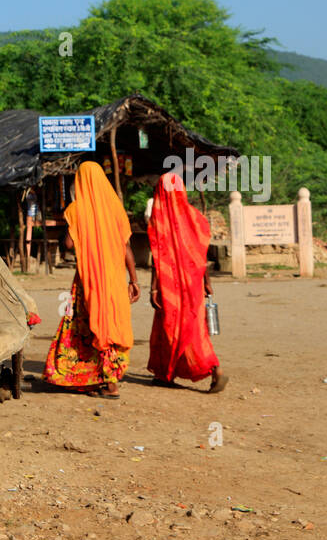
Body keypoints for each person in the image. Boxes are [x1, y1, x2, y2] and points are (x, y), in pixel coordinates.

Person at [43, 161, 140, 396]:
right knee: (111, 323)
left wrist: (70, 229)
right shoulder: (115, 208)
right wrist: (134, 280)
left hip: (89, 280)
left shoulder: (76, 210)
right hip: (116, 278)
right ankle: (107, 376)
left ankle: (106, 381)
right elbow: (126, 247)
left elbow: (67, 244)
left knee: (89, 325)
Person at [147, 172, 226, 392]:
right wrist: (207, 281)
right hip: (194, 283)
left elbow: (158, 255)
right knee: (193, 326)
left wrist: (153, 288)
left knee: (172, 327)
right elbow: (201, 254)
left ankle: (210, 366)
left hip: (169, 284)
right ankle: (168, 373)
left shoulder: (160, 218)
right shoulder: (195, 218)